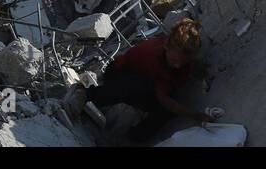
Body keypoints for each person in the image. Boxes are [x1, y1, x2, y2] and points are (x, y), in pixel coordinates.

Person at [85, 18, 220, 144]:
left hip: (146, 84)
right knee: (142, 87)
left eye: (183, 62)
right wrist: (195, 115)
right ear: (167, 47)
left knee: (165, 111)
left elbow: (188, 70)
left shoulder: (180, 58)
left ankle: (130, 140)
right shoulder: (155, 57)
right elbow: (164, 99)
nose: (178, 65)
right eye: (174, 61)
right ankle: (86, 95)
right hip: (119, 76)